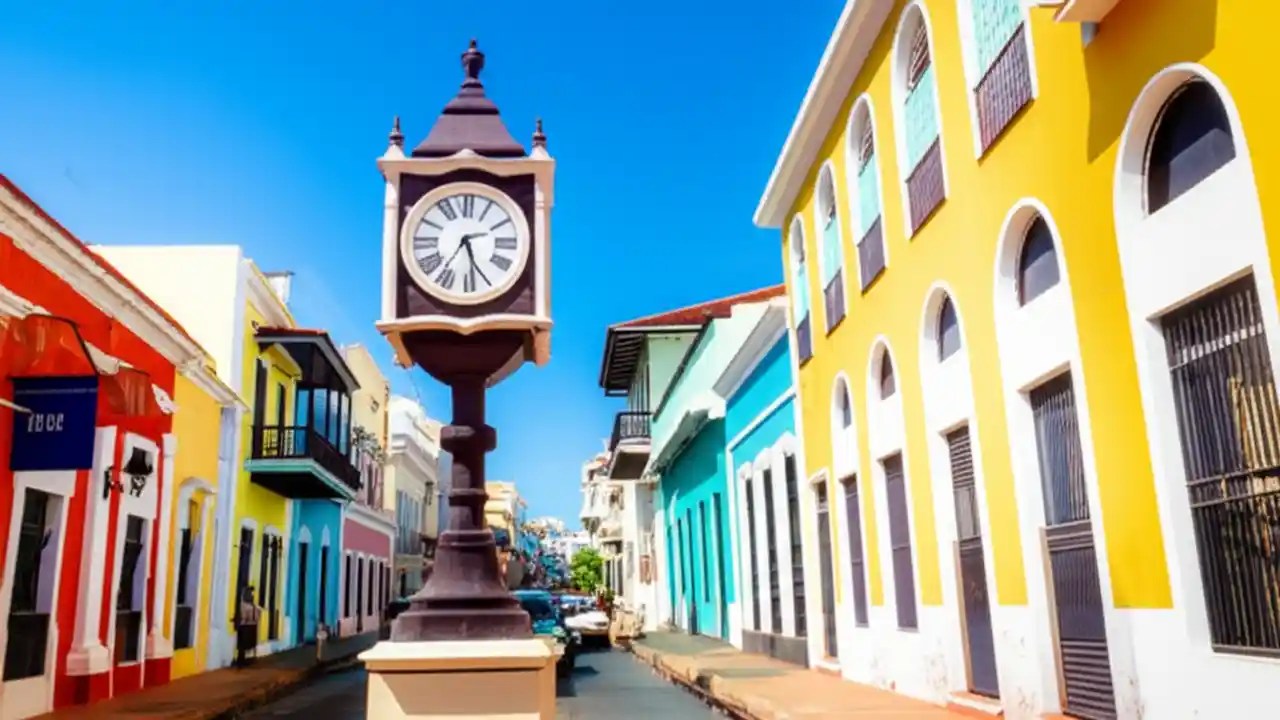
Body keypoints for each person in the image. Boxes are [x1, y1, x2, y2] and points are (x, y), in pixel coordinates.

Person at [235, 586, 261, 668]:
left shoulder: (246, 605)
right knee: (246, 644)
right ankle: (243, 660)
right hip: (249, 625)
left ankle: (242, 661)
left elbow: (245, 616)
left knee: (244, 644)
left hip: (246, 626)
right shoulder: (250, 606)